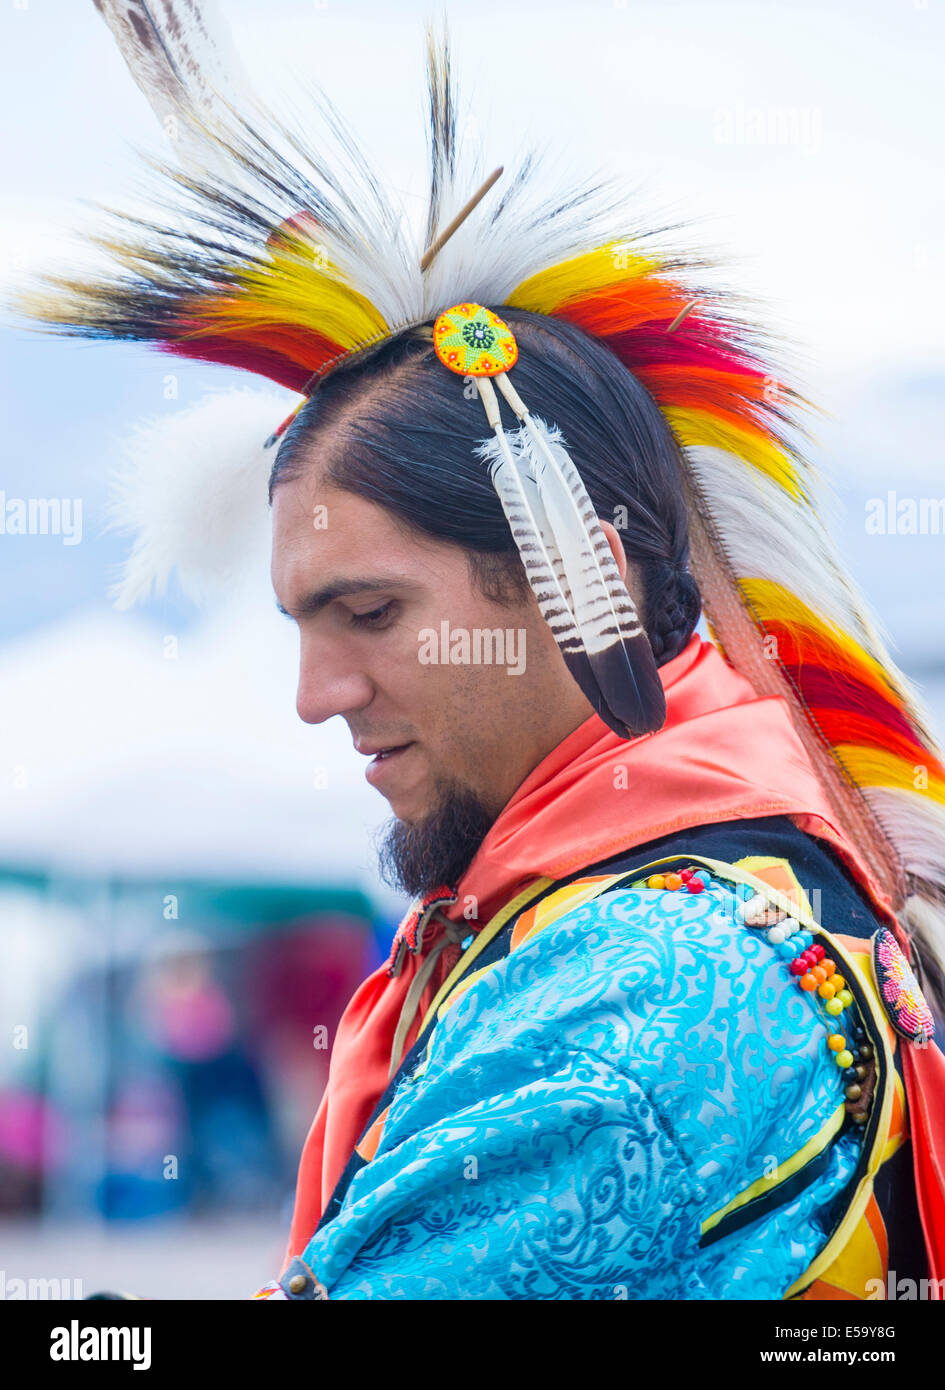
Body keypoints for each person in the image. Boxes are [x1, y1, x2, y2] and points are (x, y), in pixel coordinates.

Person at [18, 5, 945, 1301]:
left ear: (590, 593)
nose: (315, 697)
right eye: (303, 624)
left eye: (372, 613)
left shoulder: (645, 984)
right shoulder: (707, 899)